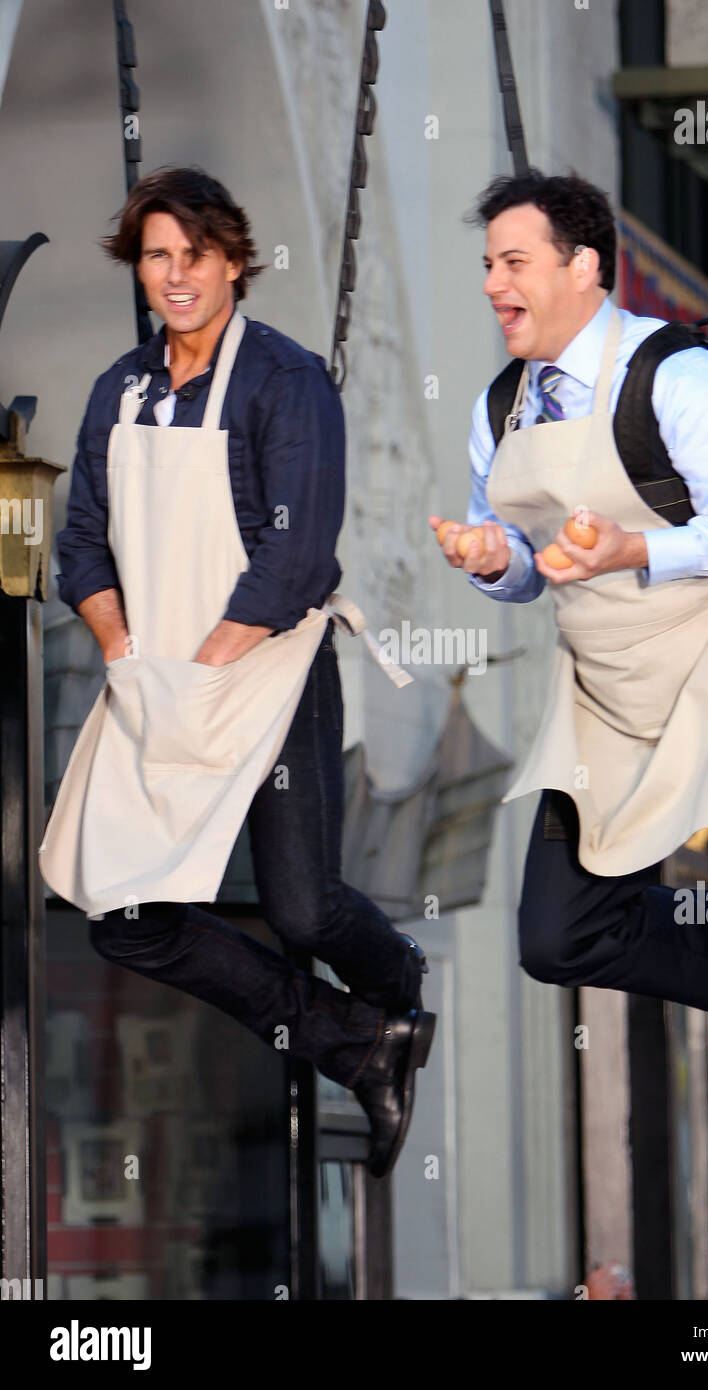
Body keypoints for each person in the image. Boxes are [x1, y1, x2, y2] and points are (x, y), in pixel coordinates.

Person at [43, 166, 434, 1178]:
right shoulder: (117, 389)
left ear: (232, 263)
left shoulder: (285, 380)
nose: (175, 277)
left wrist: (206, 670)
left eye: (195, 256)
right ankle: (358, 1043)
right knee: (125, 916)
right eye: (156, 257)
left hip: (269, 670)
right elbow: (80, 543)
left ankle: (395, 977)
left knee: (302, 908)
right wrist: (127, 654)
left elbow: (295, 559)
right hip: (151, 683)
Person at [431, 168, 708, 1061]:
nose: (491, 285)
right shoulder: (497, 409)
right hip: (606, 691)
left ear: (582, 266)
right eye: (486, 264)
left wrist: (637, 551)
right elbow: (522, 566)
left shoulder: (684, 377)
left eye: (513, 262)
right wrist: (492, 559)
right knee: (558, 940)